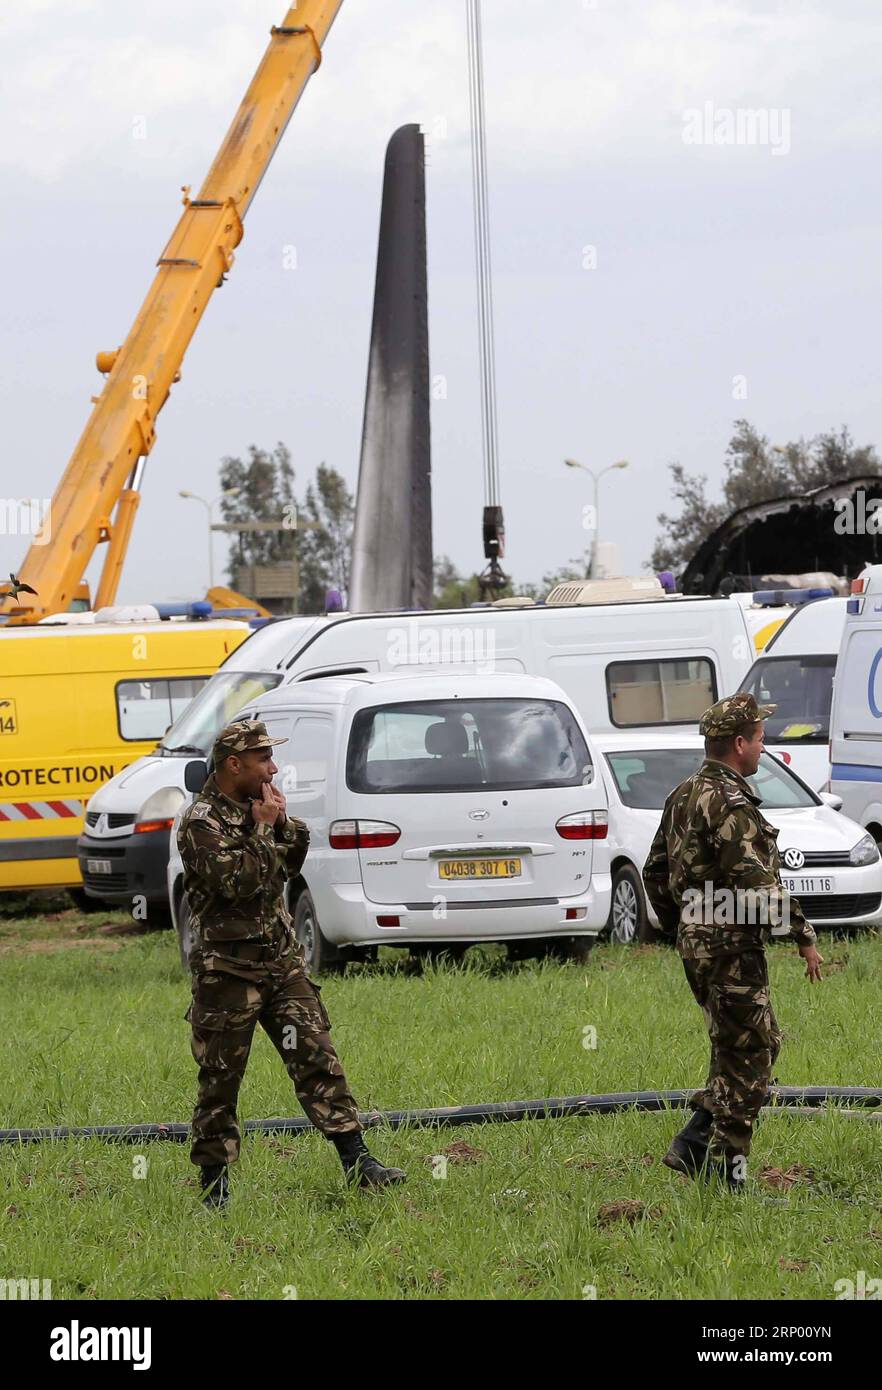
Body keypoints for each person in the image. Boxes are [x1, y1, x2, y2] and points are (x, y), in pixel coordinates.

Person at [178, 718, 405, 1207]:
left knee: (318, 1057)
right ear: (233, 764)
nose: (273, 768)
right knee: (220, 1078)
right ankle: (214, 1187)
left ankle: (359, 1162)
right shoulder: (200, 822)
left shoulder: (258, 810)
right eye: (263, 760)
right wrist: (263, 829)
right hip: (228, 973)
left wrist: (280, 823)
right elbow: (239, 881)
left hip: (282, 966)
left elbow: (290, 862)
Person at [642, 693, 823, 1189]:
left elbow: (654, 870)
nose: (764, 747)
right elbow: (756, 882)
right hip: (730, 947)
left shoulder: (683, 793)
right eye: (761, 738)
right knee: (749, 1057)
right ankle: (727, 1174)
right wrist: (802, 934)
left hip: (700, 942)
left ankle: (696, 1139)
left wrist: (681, 925)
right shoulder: (731, 802)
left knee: (745, 1046)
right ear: (739, 743)